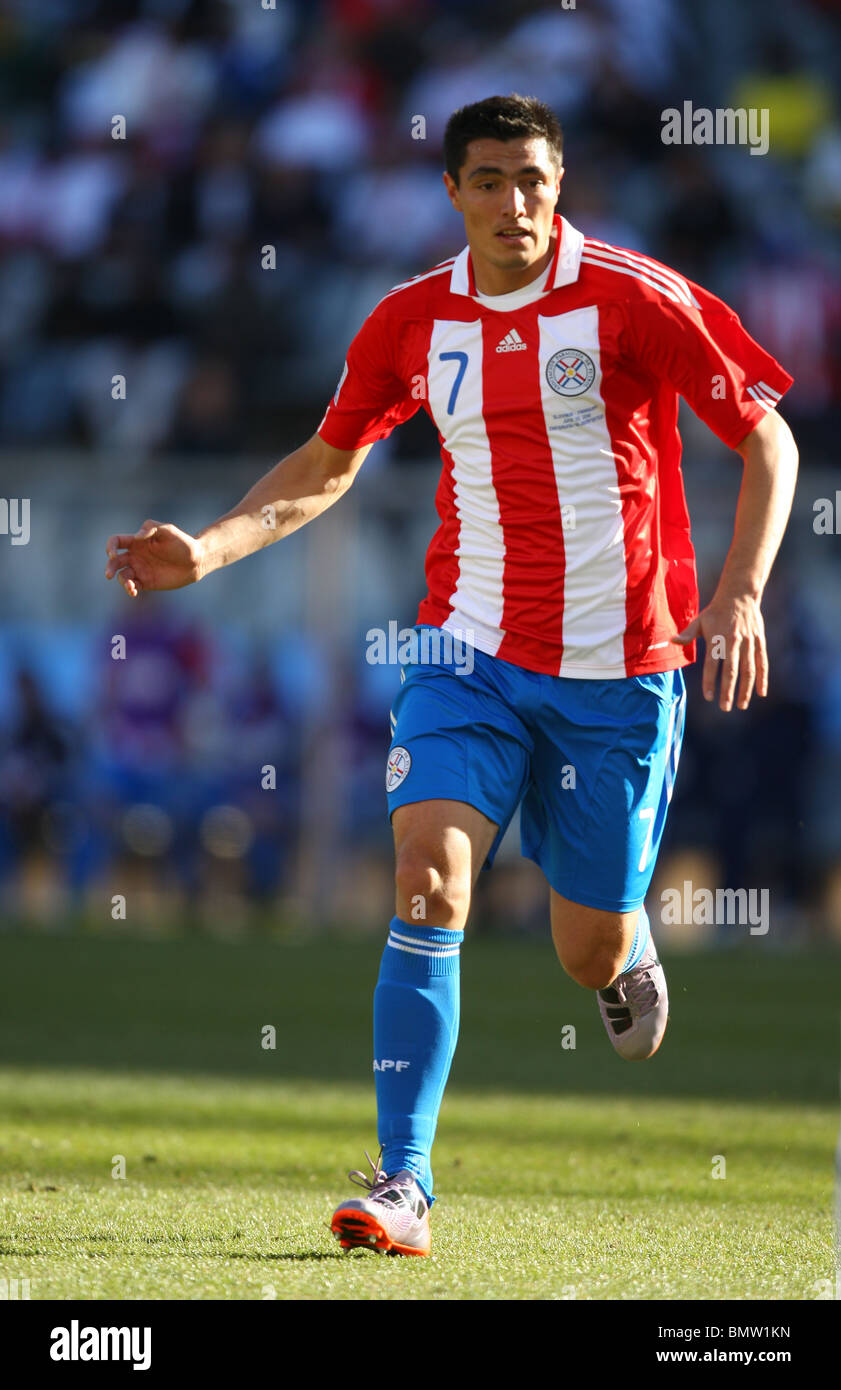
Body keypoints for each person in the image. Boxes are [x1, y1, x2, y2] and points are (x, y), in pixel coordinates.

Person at [105, 94, 798, 1259]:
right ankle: (403, 1183)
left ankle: (621, 949)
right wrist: (210, 548)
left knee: (579, 942)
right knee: (427, 878)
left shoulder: (636, 298)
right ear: (452, 194)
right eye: (488, 180)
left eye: (532, 178)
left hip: (619, 671)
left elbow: (766, 438)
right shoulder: (413, 321)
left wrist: (734, 594)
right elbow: (328, 462)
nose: (513, 203)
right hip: (463, 652)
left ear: (559, 182)